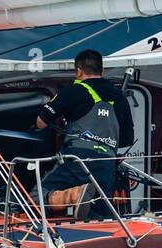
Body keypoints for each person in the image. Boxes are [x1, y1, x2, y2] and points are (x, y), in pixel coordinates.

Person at [34, 49, 134, 217]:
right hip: (106, 163)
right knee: (100, 214)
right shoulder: (120, 97)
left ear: (79, 70)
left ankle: (73, 195)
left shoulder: (74, 90)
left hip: (77, 160)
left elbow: (41, 122)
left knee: (37, 197)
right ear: (102, 71)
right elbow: (126, 139)